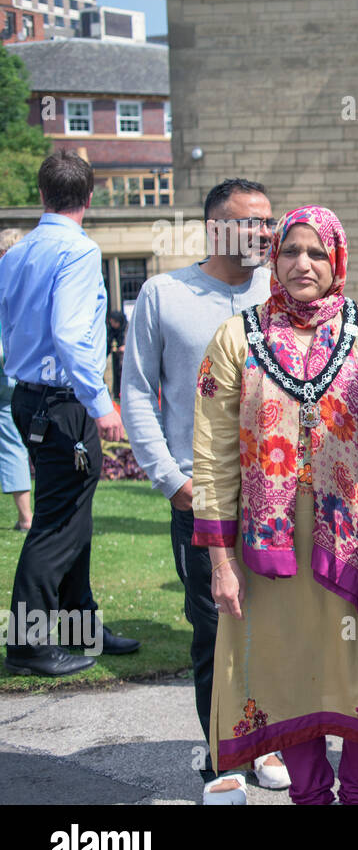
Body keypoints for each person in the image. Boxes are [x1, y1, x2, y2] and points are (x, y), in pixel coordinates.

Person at [191, 205, 358, 805]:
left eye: (317, 253)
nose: (303, 263)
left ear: (337, 260)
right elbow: (214, 457)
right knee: (287, 673)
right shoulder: (237, 337)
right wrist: (220, 561)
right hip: (268, 550)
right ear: (274, 258)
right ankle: (310, 797)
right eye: (291, 251)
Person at [119, 177, 288, 803]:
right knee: (214, 625)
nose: (265, 234)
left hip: (276, 493)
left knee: (273, 624)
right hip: (202, 494)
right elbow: (136, 389)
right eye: (250, 222)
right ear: (214, 228)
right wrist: (170, 478)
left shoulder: (281, 290)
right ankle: (222, 756)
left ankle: (266, 739)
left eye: (268, 221)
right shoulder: (165, 293)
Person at [0, 152, 137, 677]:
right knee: (58, 524)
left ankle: (81, 629)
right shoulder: (78, 252)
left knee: (70, 517)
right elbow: (70, 333)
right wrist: (102, 403)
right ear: (90, 197)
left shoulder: (19, 251)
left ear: (41, 195)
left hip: (31, 397)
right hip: (64, 404)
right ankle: (28, 645)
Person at [0, 228, 32, 532]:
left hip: (7, 375)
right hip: (23, 375)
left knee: (10, 443)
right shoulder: (29, 281)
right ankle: (26, 517)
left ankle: (26, 517)